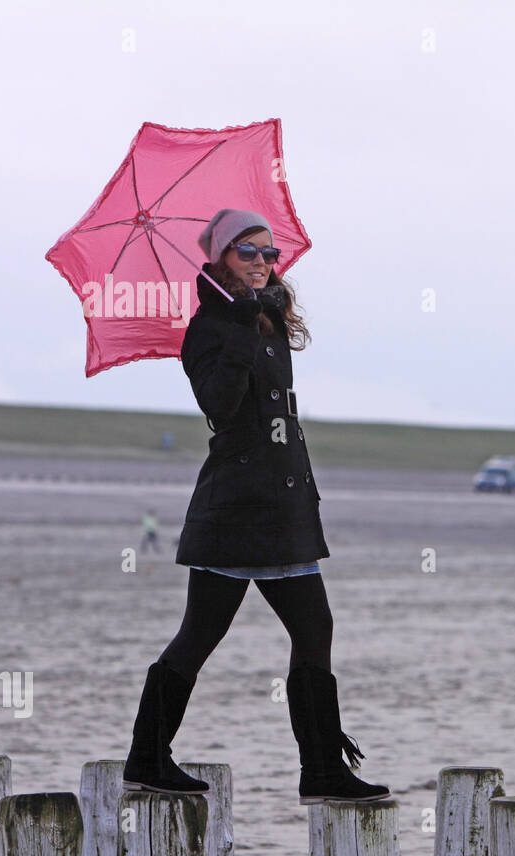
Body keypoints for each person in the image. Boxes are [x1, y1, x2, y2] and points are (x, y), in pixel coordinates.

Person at [122, 209, 388, 805]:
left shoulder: (267, 316)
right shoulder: (209, 329)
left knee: (315, 626)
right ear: (220, 258)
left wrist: (256, 318)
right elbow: (221, 405)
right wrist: (241, 326)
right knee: (199, 635)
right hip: (236, 508)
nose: (264, 263)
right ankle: (146, 758)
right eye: (249, 252)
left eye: (270, 253)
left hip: (284, 504)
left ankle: (321, 769)